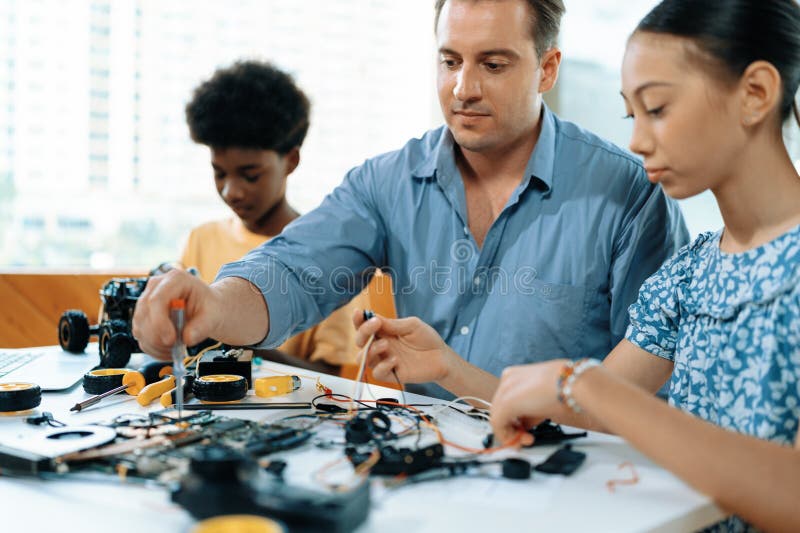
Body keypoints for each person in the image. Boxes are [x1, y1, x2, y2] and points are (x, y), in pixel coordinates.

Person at [355, 0, 800, 530]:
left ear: (755, 94)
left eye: (657, 109)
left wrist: (587, 385)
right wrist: (450, 367)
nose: (636, 141)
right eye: (631, 115)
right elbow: (583, 406)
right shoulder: (692, 271)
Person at [132, 0, 688, 399]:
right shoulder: (387, 182)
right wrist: (215, 305)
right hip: (424, 473)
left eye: (492, 65)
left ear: (547, 69)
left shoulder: (630, 195)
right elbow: (293, 270)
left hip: (571, 481)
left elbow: (648, 390)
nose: (463, 88)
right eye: (449, 61)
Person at [179, 60, 359, 374]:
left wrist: (239, 336)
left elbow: (331, 376)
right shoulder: (201, 239)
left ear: (291, 160)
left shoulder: (327, 256)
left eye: (250, 175)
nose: (231, 191)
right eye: (219, 173)